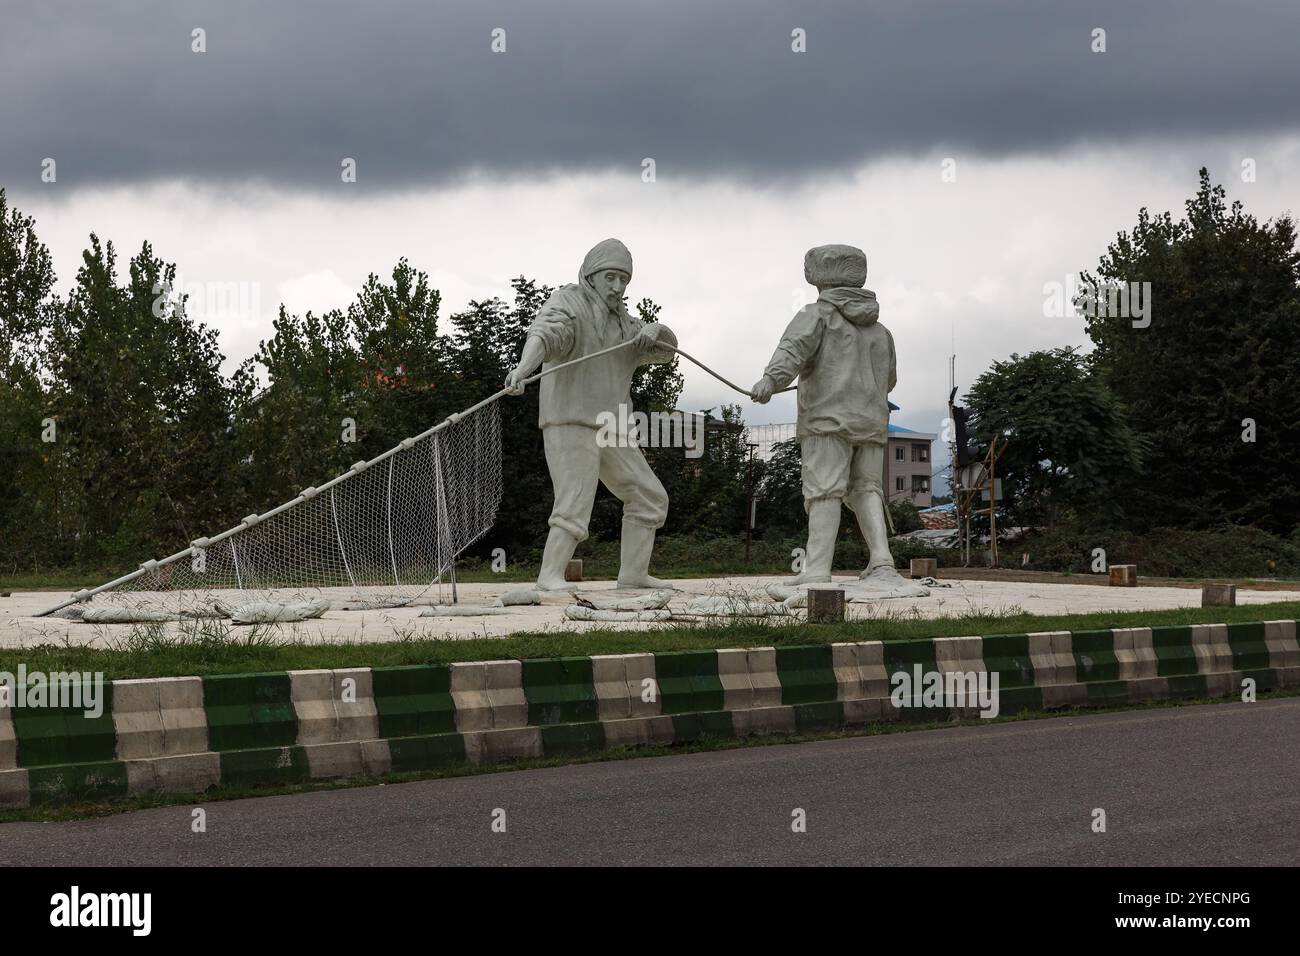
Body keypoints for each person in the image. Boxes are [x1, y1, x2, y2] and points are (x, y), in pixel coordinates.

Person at [505, 238, 677, 591]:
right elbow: (546, 333)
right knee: (575, 496)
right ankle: (549, 576)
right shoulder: (569, 303)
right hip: (570, 419)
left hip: (612, 427)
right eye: (611, 277)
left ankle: (633, 575)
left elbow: (668, 353)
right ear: (592, 275)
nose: (617, 287)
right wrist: (523, 368)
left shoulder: (627, 326)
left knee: (649, 496)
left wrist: (655, 331)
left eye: (624, 281)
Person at [751, 243, 908, 588]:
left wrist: (770, 380)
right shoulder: (881, 332)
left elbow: (792, 352)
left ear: (817, 277)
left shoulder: (816, 315)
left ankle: (818, 571)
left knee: (824, 492)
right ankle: (882, 561)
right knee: (867, 489)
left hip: (826, 421)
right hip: (870, 422)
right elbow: (890, 380)